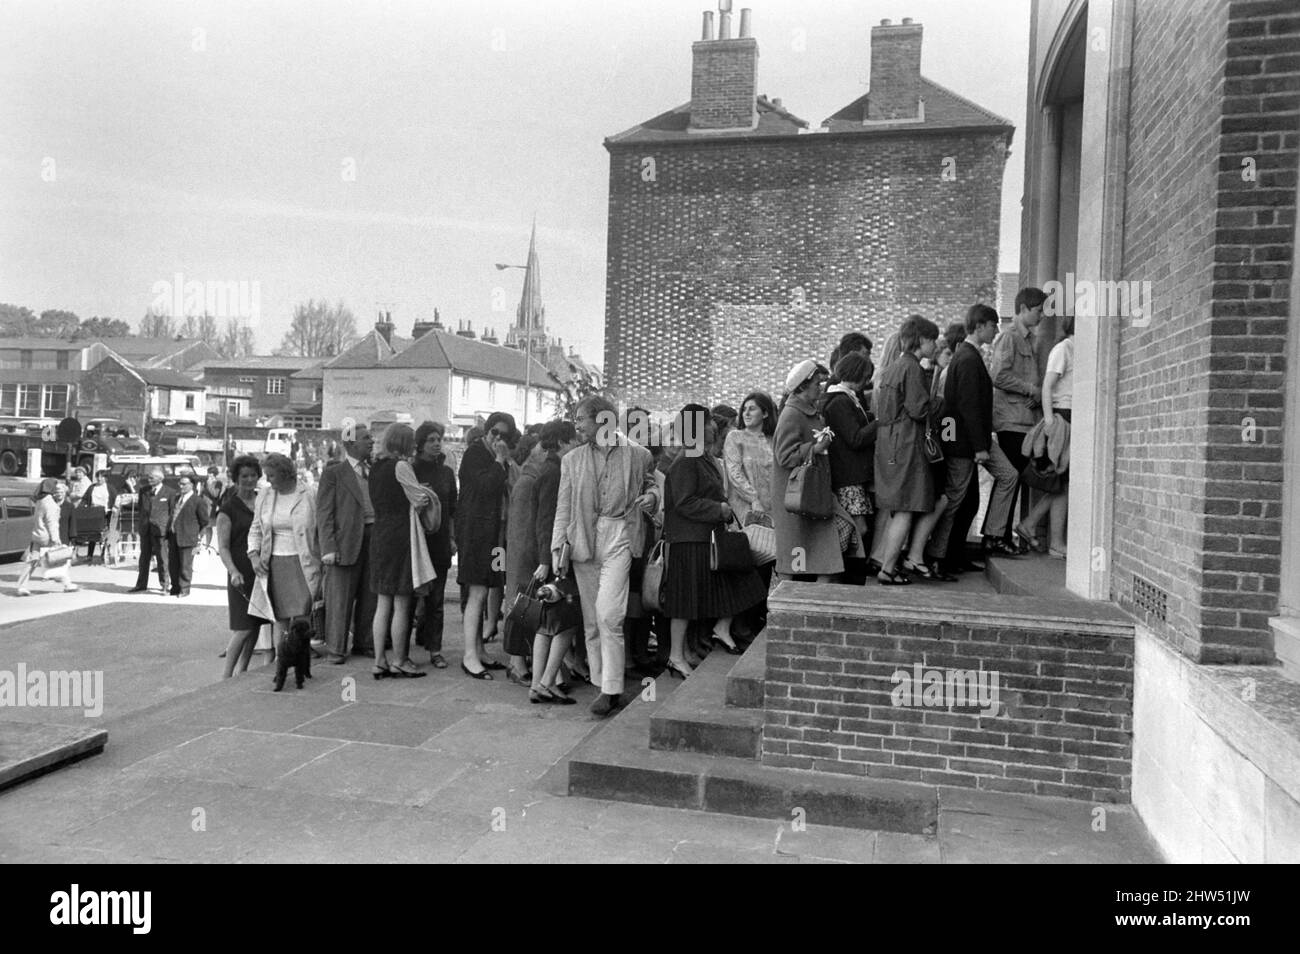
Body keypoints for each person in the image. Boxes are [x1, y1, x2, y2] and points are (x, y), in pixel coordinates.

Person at [551, 395, 658, 716]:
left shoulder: (638, 455)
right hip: (583, 539)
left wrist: (652, 497)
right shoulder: (571, 460)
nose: (576, 424)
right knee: (591, 622)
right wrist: (558, 546)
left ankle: (611, 687)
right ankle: (603, 687)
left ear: (602, 419)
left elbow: (651, 485)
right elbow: (564, 506)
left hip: (621, 535)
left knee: (609, 613)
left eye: (581, 418)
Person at [662, 404, 767, 677]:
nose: (713, 426)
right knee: (684, 602)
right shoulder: (687, 460)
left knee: (728, 587)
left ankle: (703, 640)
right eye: (708, 421)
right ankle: (676, 656)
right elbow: (685, 502)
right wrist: (718, 509)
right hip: (689, 541)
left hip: (704, 538)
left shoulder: (701, 457)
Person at [873, 315, 941, 585]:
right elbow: (918, 409)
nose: (935, 345)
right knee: (905, 509)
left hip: (889, 444)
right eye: (932, 339)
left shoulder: (892, 367)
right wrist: (938, 402)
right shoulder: (912, 368)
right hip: (907, 445)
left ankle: (887, 565)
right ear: (921, 339)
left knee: (896, 509)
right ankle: (888, 569)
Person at [368, 423, 435, 679]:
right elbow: (419, 499)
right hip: (401, 535)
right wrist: (424, 492)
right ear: (403, 443)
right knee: (402, 601)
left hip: (381, 532)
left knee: (382, 602)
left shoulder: (376, 466)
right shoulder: (401, 466)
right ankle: (400, 659)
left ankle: (378, 660)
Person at [457, 412, 516, 678]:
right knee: (477, 592)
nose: (498, 439)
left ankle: (478, 650)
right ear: (486, 431)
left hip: (492, 534)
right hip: (475, 533)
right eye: (494, 433)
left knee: (489, 586)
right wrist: (500, 460)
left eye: (504, 435)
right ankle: (470, 655)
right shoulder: (475, 454)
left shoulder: (490, 456)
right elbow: (486, 487)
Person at [527, 420, 582, 703]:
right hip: (559, 557)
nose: (578, 444)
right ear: (561, 442)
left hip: (554, 556)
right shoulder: (554, 472)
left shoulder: (549, 468)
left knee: (547, 624)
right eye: (573, 440)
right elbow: (546, 520)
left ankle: (539, 683)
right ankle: (545, 682)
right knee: (565, 622)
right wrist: (547, 560)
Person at [989, 287, 1048, 554]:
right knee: (1010, 478)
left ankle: (998, 535)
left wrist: (1034, 395)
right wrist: (1031, 390)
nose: (1042, 315)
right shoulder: (1009, 338)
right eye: (1038, 310)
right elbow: (998, 376)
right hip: (1011, 421)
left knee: (1013, 479)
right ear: (1023, 309)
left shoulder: (1026, 339)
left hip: (1023, 420)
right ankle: (996, 537)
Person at [247, 453, 322, 658]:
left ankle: (302, 653)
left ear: (285, 473)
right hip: (274, 562)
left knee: (302, 612)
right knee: (279, 616)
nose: (267, 480)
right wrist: (254, 555)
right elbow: (256, 528)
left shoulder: (309, 493)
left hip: (303, 560)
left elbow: (320, 529)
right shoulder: (265, 495)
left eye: (271, 475)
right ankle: (281, 658)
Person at [772, 360, 840, 582]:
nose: (820, 388)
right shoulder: (791, 414)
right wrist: (816, 448)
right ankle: (788, 609)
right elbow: (783, 455)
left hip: (811, 493)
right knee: (796, 558)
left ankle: (810, 607)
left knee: (822, 557)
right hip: (795, 497)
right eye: (816, 383)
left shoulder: (808, 412)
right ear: (802, 386)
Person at [317, 424, 377, 663]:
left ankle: (364, 642)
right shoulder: (334, 473)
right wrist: (328, 547)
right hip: (344, 543)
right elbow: (324, 513)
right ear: (350, 444)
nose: (371, 442)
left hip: (373, 538)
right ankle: (336, 648)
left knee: (369, 594)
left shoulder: (373, 471)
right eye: (366, 439)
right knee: (340, 598)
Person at [1016, 314, 1074, 558]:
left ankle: (1034, 527)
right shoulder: (1063, 349)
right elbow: (1048, 386)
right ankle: (1053, 540)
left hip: (1072, 416)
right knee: (1061, 481)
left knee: (1062, 483)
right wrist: (1050, 420)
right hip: (1063, 416)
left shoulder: (1076, 348)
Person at [821, 353, 878, 584]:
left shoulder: (846, 398)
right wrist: (879, 423)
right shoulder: (841, 401)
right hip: (848, 476)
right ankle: (839, 574)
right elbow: (855, 438)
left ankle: (842, 574)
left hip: (850, 475)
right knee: (857, 528)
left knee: (856, 528)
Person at [412, 421, 457, 669]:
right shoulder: (410, 469)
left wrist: (452, 537)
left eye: (439, 438)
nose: (437, 443)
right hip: (416, 541)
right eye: (431, 439)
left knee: (436, 599)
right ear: (420, 444)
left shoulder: (446, 473)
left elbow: (452, 509)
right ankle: (401, 647)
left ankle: (435, 649)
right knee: (411, 597)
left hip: (439, 541)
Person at [219, 456, 263, 677]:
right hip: (240, 572)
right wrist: (233, 571)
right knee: (243, 626)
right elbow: (223, 547)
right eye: (244, 476)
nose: (249, 480)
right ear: (236, 479)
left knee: (255, 623)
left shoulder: (263, 500)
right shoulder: (228, 509)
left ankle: (243, 670)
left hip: (261, 570)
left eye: (253, 475)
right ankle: (226, 675)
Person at [15, 478, 78, 596]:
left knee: (31, 562)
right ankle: (67, 584)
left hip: (37, 536)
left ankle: (21, 586)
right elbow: (52, 524)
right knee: (59, 560)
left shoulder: (40, 501)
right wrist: (56, 540)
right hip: (48, 538)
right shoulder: (51, 504)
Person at [723, 391, 776, 526]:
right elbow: (734, 473)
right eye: (744, 410)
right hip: (746, 510)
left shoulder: (773, 441)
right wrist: (754, 499)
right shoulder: (735, 437)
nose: (746, 413)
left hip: (773, 511)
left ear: (765, 413)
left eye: (752, 409)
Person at [129, 470, 175, 594]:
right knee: (144, 558)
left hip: (160, 530)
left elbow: (172, 512)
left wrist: (168, 528)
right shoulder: (143, 491)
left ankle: (165, 585)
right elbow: (141, 508)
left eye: (152, 477)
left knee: (162, 558)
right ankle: (141, 584)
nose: (149, 479)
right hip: (146, 529)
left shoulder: (170, 492)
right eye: (149, 477)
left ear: (160, 478)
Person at [166, 475, 209, 598]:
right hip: (173, 535)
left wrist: (198, 538)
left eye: (184, 484)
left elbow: (204, 522)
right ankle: (175, 587)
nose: (181, 486)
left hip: (188, 537)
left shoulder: (198, 501)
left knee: (185, 565)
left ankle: (184, 589)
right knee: (173, 564)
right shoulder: (176, 498)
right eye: (180, 483)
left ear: (192, 485)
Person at [81, 469, 116, 565]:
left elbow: (115, 500)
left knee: (104, 534)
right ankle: (89, 555)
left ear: (106, 478)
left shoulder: (110, 488)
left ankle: (103, 554)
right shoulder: (92, 487)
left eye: (102, 476)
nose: (99, 479)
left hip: (106, 514)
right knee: (92, 535)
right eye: (98, 476)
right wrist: (82, 507)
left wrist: (113, 509)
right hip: (93, 513)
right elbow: (85, 499)